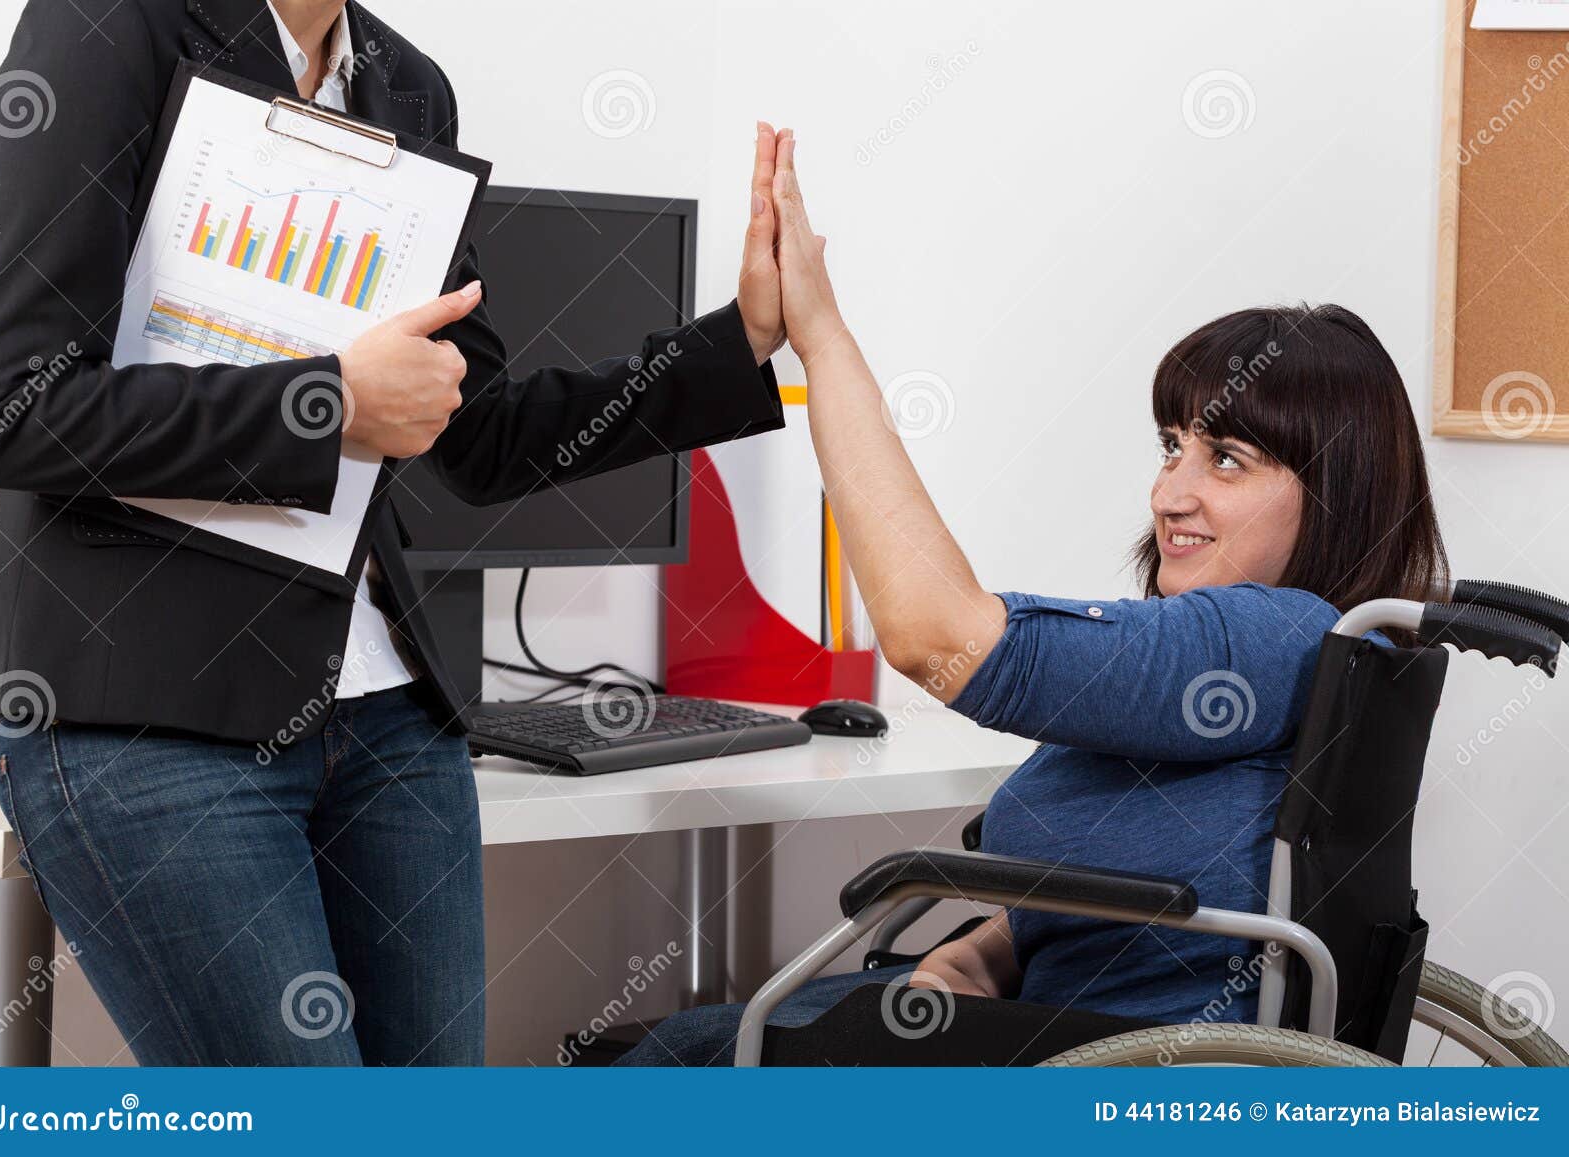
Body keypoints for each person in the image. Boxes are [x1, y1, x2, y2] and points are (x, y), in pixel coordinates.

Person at [0, 0, 791, 1065]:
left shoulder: (406, 82)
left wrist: (739, 342)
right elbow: (14, 408)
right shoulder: (110, 25)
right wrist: (327, 402)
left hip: (388, 719)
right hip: (147, 709)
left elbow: (476, 432)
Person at [617, 130, 1448, 1065]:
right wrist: (977, 957)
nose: (1171, 490)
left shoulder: (1261, 640)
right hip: (1058, 1021)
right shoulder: (1304, 653)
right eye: (1173, 445)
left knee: (667, 1052)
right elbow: (1158, 895)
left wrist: (821, 335)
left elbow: (937, 637)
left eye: (1227, 458)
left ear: (1334, 490)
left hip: (1111, 1065)